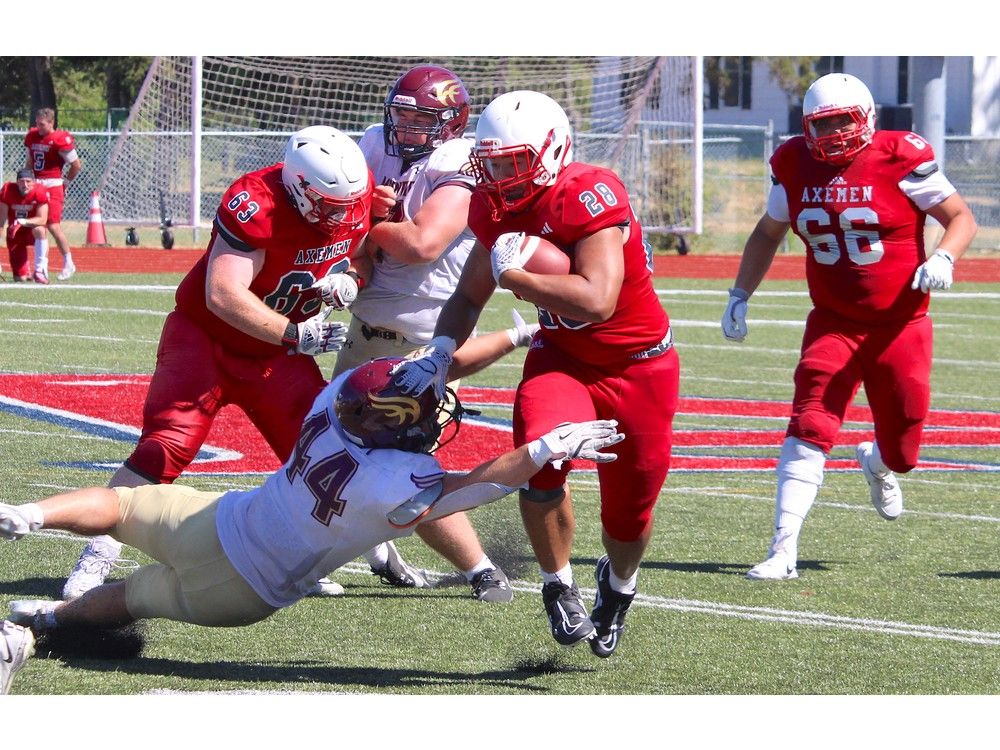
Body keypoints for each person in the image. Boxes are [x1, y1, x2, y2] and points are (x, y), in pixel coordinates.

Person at [0, 356, 624, 695]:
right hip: (243, 593)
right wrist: (546, 449)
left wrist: (506, 337)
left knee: (124, 506)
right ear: (394, 424)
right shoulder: (390, 481)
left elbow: (432, 362)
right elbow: (476, 486)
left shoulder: (334, 402)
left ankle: (31, 515)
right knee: (133, 599)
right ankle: (45, 627)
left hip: (215, 523)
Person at [392, 90, 680, 658]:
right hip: (562, 359)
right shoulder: (495, 205)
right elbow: (469, 293)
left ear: (553, 151)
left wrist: (519, 279)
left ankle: (619, 586)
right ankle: (558, 585)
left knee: (630, 515)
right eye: (492, 164)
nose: (500, 177)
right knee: (540, 459)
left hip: (639, 366)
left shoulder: (589, 194)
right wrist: (440, 349)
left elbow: (598, 299)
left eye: (512, 163)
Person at [60, 125, 373, 601]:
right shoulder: (256, 203)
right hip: (207, 340)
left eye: (348, 205)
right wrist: (294, 332)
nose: (342, 215)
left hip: (275, 356)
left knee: (321, 452)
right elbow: (223, 293)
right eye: (330, 206)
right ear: (299, 189)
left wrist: (347, 278)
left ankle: (295, 558)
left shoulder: (352, 198)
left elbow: (360, 252)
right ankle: (96, 558)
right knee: (164, 448)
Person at [721, 73, 978, 581]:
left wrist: (944, 256)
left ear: (867, 119)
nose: (833, 133)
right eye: (822, 123)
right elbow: (768, 230)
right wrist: (739, 293)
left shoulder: (899, 155)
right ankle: (782, 549)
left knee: (903, 451)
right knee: (811, 420)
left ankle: (877, 462)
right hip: (833, 322)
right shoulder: (794, 162)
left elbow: (961, 217)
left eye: (843, 121)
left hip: (902, 324)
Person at [313, 65, 537, 603]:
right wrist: (362, 226)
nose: (408, 128)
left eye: (423, 118)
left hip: (425, 338)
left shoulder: (459, 160)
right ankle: (359, 553)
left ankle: (478, 569)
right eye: (403, 115)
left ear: (451, 123)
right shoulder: (372, 143)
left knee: (405, 471)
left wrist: (372, 225)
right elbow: (338, 218)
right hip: (365, 329)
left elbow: (422, 243)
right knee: (330, 452)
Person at [24, 108, 81, 283]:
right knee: (36, 226)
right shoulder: (32, 135)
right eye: (37, 123)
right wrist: (28, 180)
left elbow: (76, 165)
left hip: (53, 183)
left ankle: (68, 262)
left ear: (51, 123)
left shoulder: (59, 139)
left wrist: (65, 183)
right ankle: (40, 269)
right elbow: (29, 161)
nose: (38, 127)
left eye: (42, 124)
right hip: (37, 183)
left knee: (53, 226)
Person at [1, 169, 49, 282]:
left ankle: (39, 270)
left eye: (28, 181)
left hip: (31, 229)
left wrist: (22, 221)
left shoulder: (40, 191)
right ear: (17, 182)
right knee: (20, 279)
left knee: (40, 230)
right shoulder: (7, 191)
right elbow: (0, 222)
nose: (25, 185)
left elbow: (42, 219)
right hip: (15, 233)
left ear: (33, 182)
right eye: (22, 181)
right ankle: (25, 270)